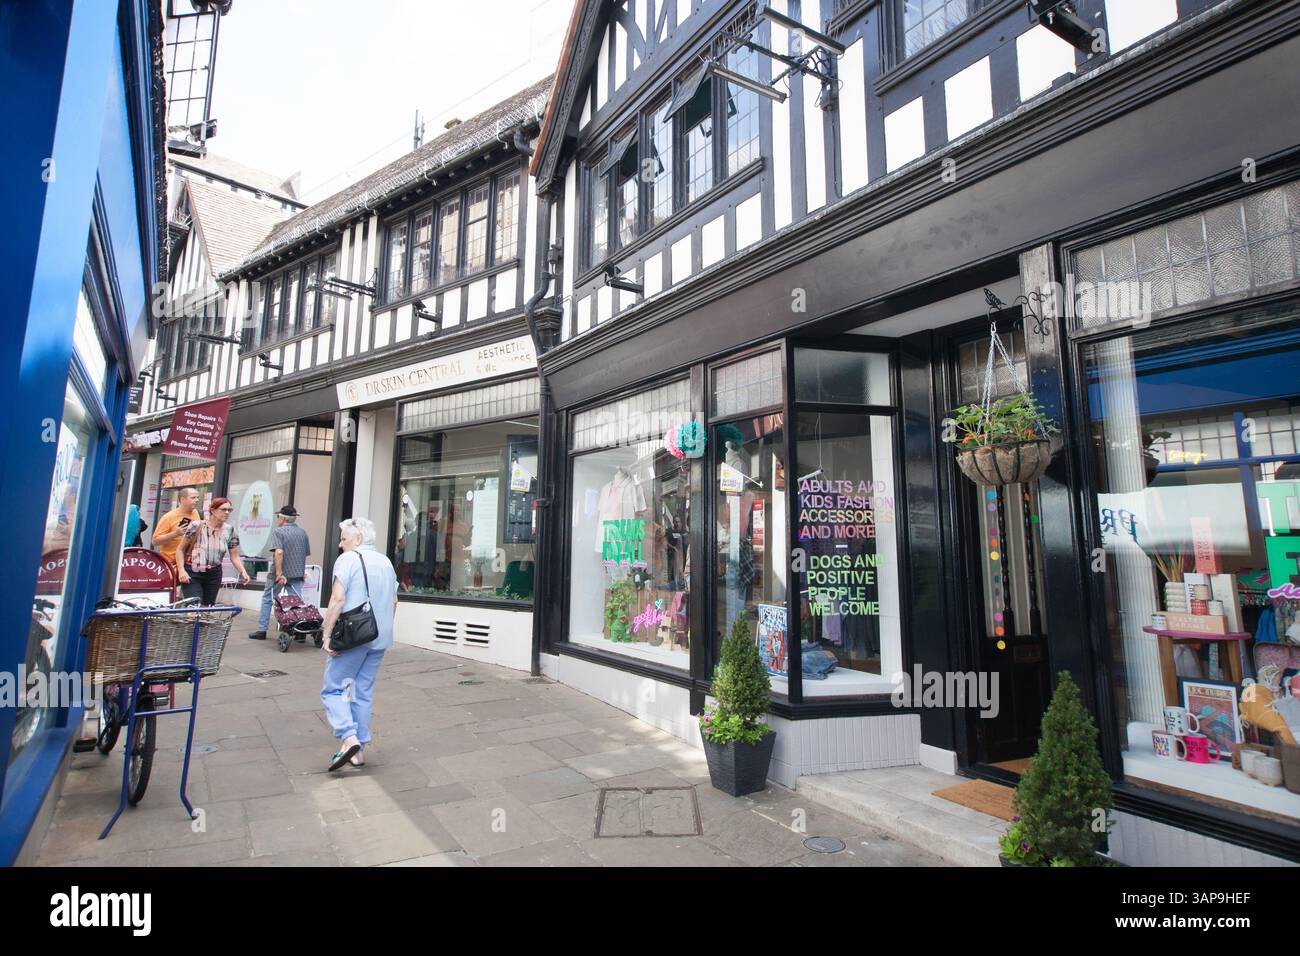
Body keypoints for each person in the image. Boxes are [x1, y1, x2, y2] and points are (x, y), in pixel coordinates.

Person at [320, 517, 397, 771]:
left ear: (359, 538)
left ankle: (348, 736)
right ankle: (358, 751)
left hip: (353, 637)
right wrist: (383, 627)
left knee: (334, 689)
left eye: (344, 539)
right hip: (379, 637)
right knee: (361, 691)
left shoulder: (348, 560)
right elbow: (394, 601)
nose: (341, 545)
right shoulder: (386, 561)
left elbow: (337, 599)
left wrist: (327, 633)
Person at [250, 504, 312, 641]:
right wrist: (301, 572)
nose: (278, 519)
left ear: (283, 518)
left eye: (278, 516)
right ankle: (299, 631)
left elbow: (278, 552)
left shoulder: (278, 532)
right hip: (296, 573)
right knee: (295, 602)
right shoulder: (303, 533)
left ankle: (262, 630)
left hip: (279, 574)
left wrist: (279, 573)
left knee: (268, 599)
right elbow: (304, 554)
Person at [178, 497, 250, 604]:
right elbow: (180, 550)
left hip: (214, 573)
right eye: (223, 509)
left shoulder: (230, 530)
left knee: (207, 609)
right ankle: (192, 618)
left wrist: (243, 571)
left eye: (229, 510)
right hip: (194, 571)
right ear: (212, 510)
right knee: (194, 607)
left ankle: (201, 620)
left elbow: (234, 556)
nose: (227, 513)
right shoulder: (196, 526)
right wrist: (181, 571)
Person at [151, 487, 201, 576]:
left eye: (197, 498)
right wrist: (175, 534)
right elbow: (155, 541)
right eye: (193, 498)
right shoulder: (169, 517)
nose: (197, 500)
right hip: (171, 563)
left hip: (190, 563)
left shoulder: (196, 513)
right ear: (182, 499)